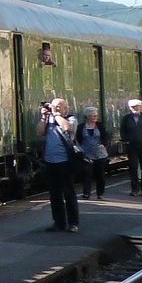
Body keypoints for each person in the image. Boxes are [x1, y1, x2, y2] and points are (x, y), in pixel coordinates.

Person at [38, 97, 79, 232]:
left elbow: (67, 127)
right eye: (53, 106)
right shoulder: (49, 120)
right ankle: (59, 222)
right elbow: (39, 133)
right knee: (54, 194)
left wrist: (56, 114)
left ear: (65, 108)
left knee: (68, 193)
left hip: (65, 161)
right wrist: (43, 118)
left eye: (58, 106)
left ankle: (73, 223)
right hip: (51, 162)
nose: (54, 108)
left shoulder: (71, 119)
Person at [74, 107, 110, 199]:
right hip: (86, 153)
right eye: (92, 116)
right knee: (87, 174)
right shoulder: (81, 127)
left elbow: (106, 136)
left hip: (100, 153)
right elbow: (78, 138)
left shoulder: (100, 126)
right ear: (87, 116)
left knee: (100, 174)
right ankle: (86, 193)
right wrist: (79, 149)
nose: (95, 118)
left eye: (96, 116)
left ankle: (100, 193)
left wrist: (103, 144)